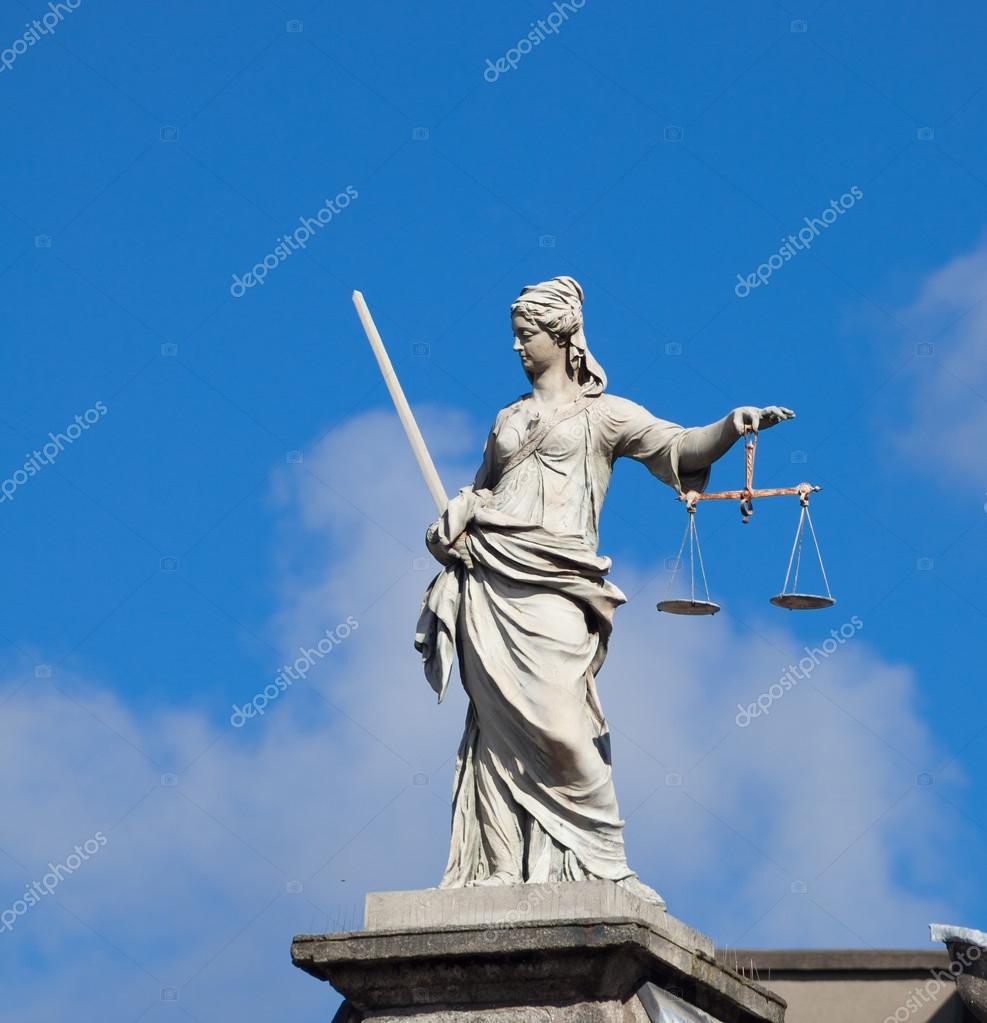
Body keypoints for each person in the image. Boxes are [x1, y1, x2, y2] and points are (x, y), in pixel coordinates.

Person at [415, 276, 793, 907]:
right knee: (496, 733)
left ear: (562, 336)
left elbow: (678, 447)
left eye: (526, 333)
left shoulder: (605, 416)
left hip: (558, 584)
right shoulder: (507, 419)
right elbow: (482, 491)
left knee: (563, 727)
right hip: (492, 578)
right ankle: (502, 867)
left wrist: (731, 425)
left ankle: (604, 865)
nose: (516, 346)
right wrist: (452, 524)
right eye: (514, 334)